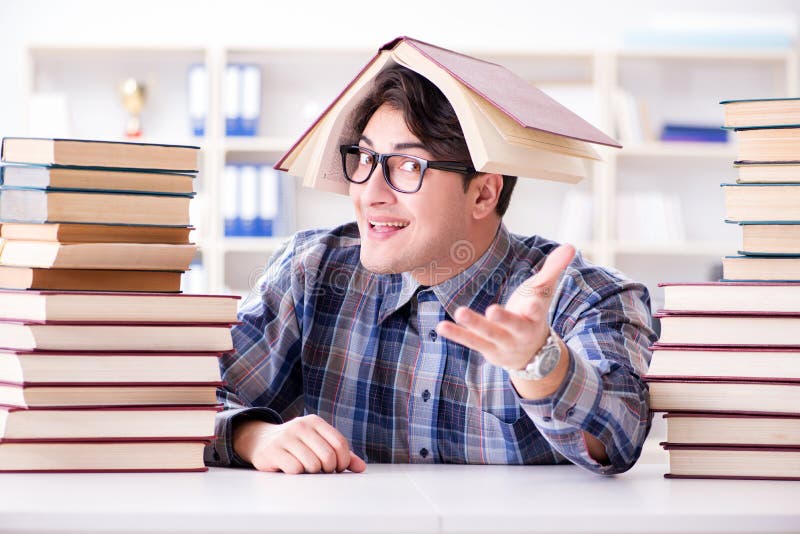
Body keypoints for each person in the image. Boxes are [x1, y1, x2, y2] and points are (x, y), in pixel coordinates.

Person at [204, 64, 657, 476]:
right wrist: (254, 436)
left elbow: (620, 437)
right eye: (365, 159)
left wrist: (539, 362)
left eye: (408, 165)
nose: (370, 192)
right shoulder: (312, 270)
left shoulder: (584, 294)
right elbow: (186, 393)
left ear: (483, 194)